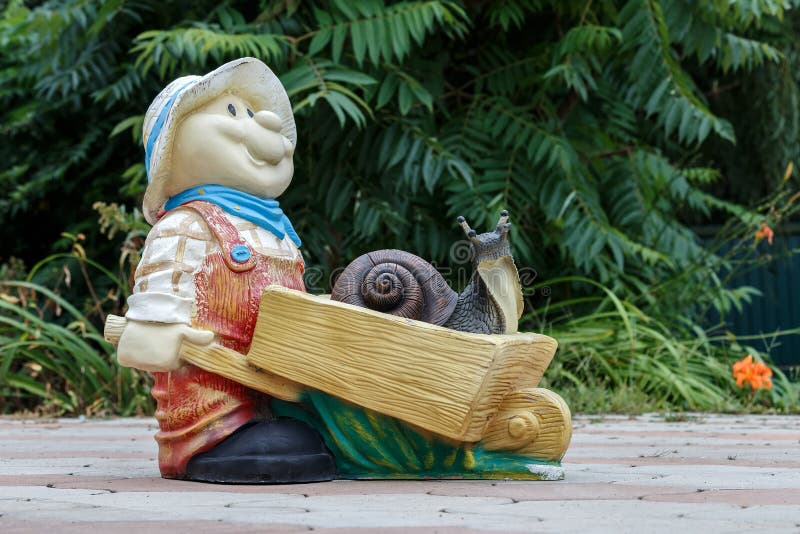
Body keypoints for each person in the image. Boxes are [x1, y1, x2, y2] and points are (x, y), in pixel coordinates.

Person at [115, 57, 335, 483]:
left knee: (308, 437)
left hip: (276, 401)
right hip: (210, 415)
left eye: (252, 113)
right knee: (281, 448)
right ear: (175, 146)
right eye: (234, 114)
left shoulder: (279, 235)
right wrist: (163, 333)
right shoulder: (186, 227)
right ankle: (199, 451)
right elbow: (146, 337)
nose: (262, 123)